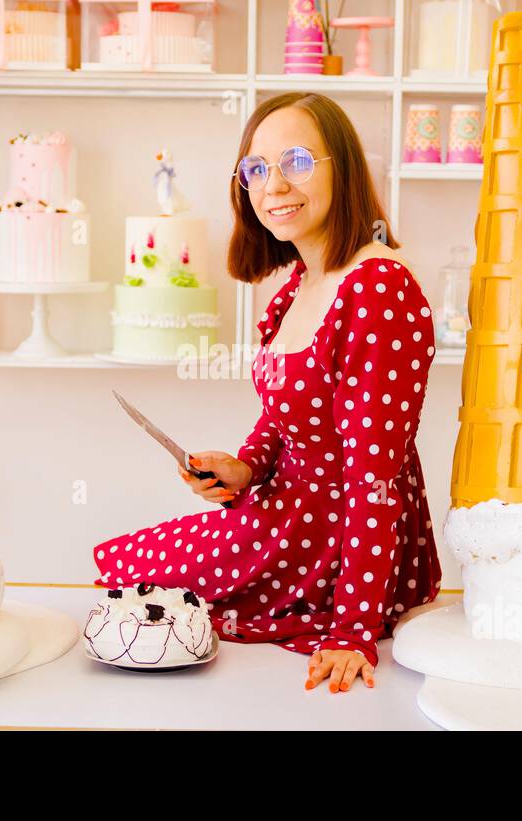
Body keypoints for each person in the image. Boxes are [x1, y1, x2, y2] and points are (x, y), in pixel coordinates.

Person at [93, 92, 441, 694]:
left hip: (337, 540)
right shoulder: (298, 287)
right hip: (281, 514)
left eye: (298, 161)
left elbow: (374, 477)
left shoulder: (379, 289)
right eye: (257, 169)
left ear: (345, 168)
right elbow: (281, 422)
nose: (274, 184)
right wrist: (244, 467)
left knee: (133, 577)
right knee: (118, 564)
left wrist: (352, 630)